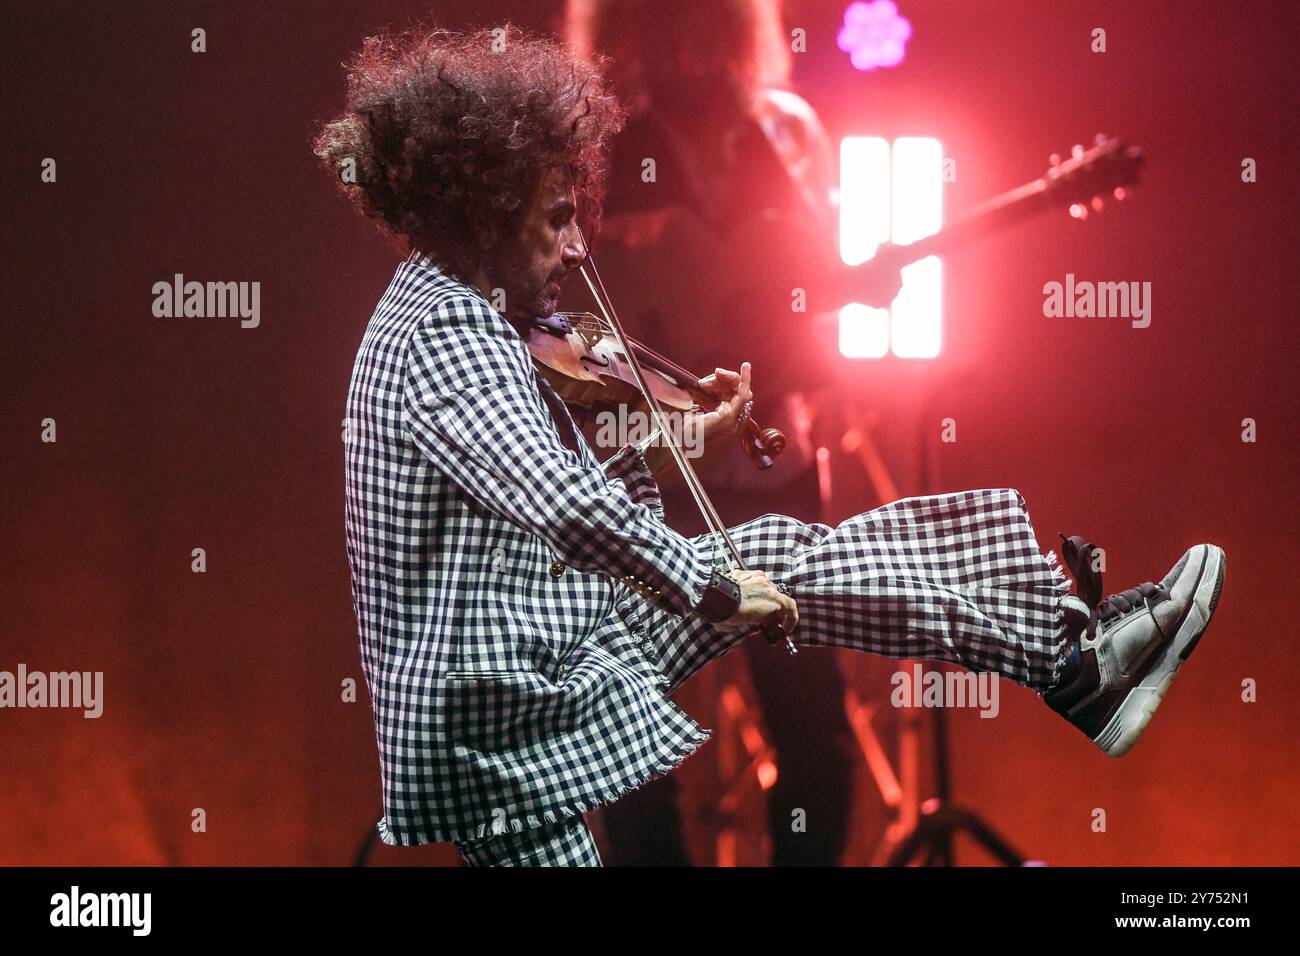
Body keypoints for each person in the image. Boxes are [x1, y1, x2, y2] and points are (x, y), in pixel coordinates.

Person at [316, 25, 1226, 867]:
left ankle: (1068, 658)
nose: (577, 241)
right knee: (760, 564)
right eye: (557, 216)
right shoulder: (445, 334)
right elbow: (563, 505)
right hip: (501, 697)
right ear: (488, 205)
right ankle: (1073, 667)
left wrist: (680, 428)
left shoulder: (457, 313)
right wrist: (708, 585)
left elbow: (555, 477)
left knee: (781, 548)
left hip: (536, 652)